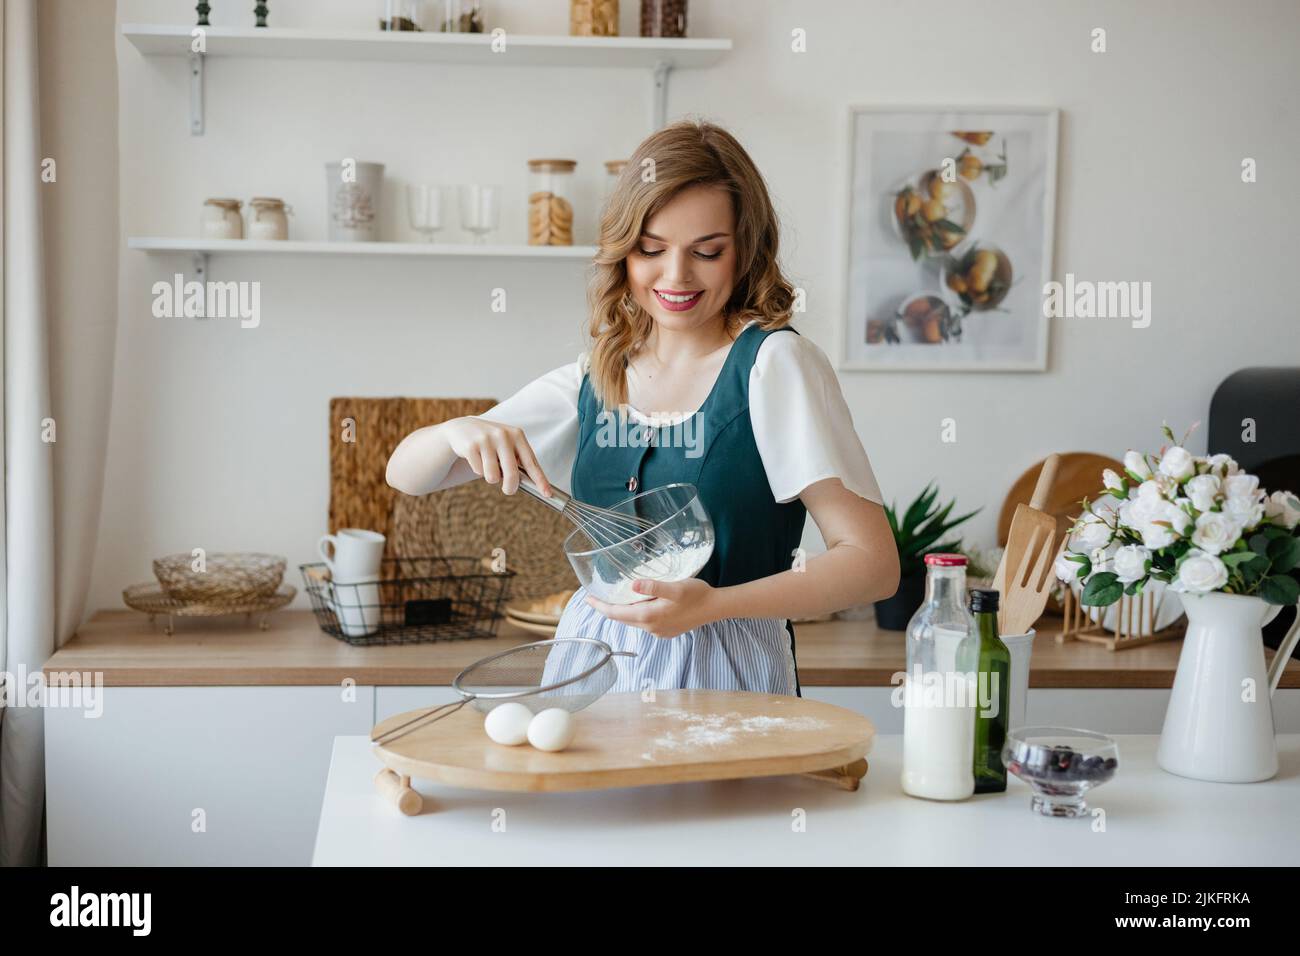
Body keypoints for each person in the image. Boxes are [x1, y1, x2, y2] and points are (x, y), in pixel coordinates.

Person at [387, 119, 899, 696]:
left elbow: (873, 564)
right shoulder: (597, 373)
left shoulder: (774, 366)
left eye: (707, 251)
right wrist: (457, 431)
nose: (676, 276)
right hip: (593, 665)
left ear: (744, 252)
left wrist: (714, 604)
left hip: (727, 671)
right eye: (651, 250)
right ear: (624, 254)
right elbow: (406, 475)